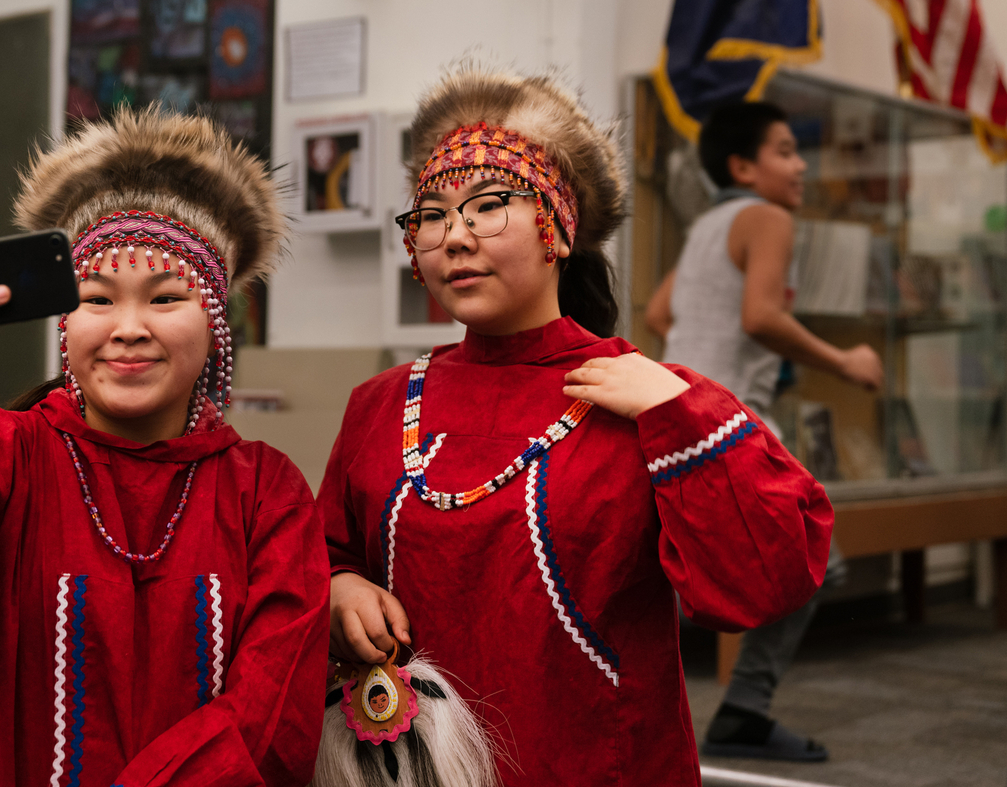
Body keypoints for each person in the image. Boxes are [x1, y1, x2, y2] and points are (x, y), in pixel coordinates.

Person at [319, 66, 834, 786]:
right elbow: (324, 550)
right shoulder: (381, 402)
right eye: (432, 215)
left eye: (488, 205)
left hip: (598, 762)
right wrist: (340, 584)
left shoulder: (640, 396)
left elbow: (764, 581)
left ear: (557, 228)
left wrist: (679, 410)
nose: (455, 237)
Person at [0, 109, 329, 786]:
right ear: (64, 319)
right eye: (96, 297)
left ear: (217, 323)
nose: (129, 328)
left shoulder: (267, 493)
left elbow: (272, 721)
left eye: (167, 296)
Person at [645, 102, 883, 762]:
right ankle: (745, 705)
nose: (801, 163)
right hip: (724, 421)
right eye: (784, 150)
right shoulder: (768, 217)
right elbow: (759, 317)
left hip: (670, 408)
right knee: (815, 562)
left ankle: (703, 701)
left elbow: (663, 309)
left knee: (681, 560)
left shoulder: (707, 227)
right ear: (742, 166)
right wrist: (846, 361)